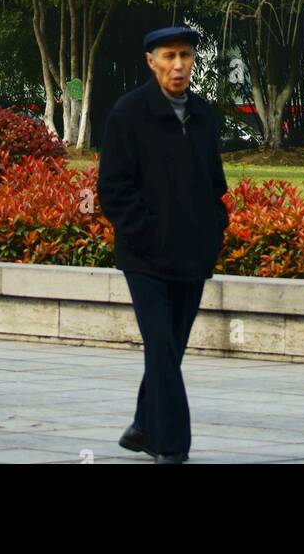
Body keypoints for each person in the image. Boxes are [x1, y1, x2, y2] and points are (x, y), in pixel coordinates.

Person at [97, 25, 229, 464]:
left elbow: (215, 184)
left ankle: (143, 426)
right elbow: (113, 190)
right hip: (145, 257)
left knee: (169, 347)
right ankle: (172, 446)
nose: (178, 65)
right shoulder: (128, 114)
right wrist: (144, 233)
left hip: (193, 255)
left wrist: (213, 229)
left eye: (186, 55)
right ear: (150, 61)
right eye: (169, 56)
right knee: (162, 347)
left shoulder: (206, 114)